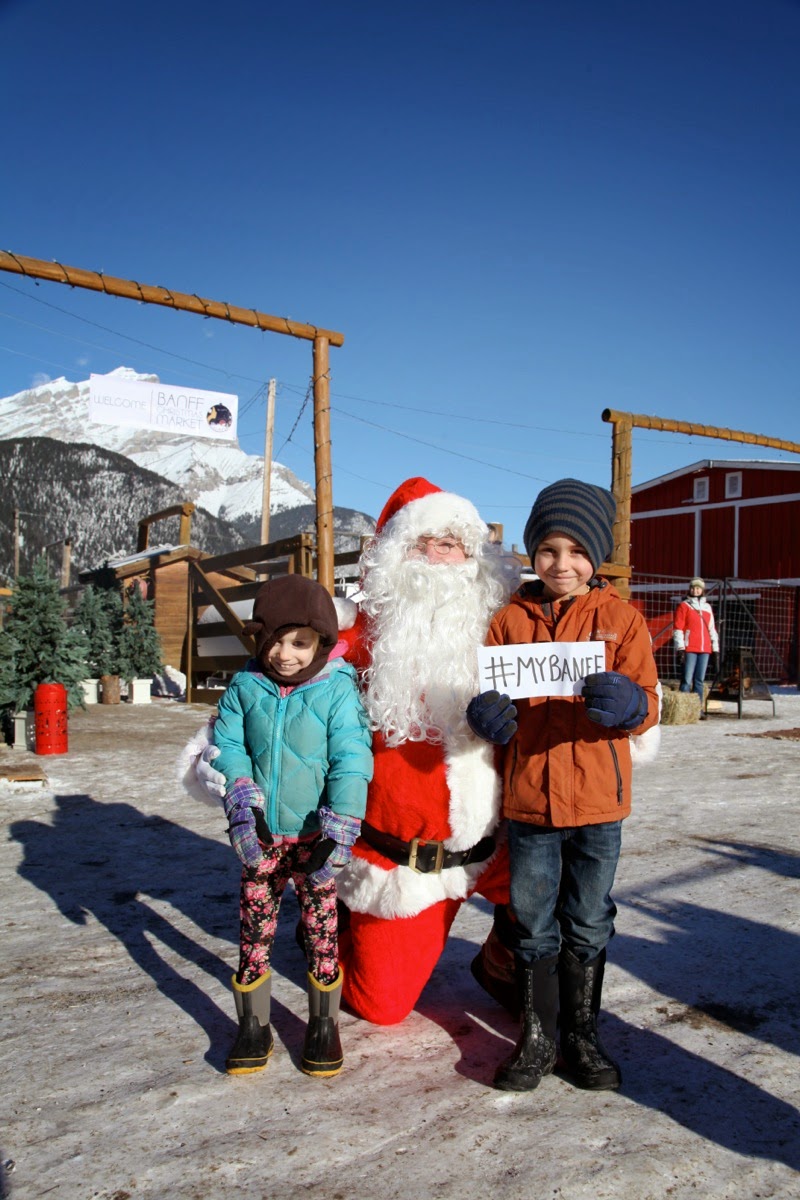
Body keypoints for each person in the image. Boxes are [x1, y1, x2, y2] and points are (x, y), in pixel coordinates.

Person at [466, 478, 660, 1093]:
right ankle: (538, 1035)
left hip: (600, 802)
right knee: (532, 917)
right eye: (550, 549)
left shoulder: (621, 620)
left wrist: (631, 704)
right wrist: (486, 718)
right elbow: (489, 697)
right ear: (532, 553)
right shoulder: (506, 621)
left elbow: (650, 703)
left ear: (596, 558)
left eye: (577, 551)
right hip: (529, 803)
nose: (563, 564)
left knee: (589, 916)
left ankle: (581, 1033)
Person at [211, 574, 373, 1078]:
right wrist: (242, 803)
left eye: (299, 642)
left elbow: (352, 758)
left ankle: (323, 1026)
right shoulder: (244, 687)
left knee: (322, 932)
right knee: (254, 931)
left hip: (315, 842)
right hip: (260, 838)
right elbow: (228, 747)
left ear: (322, 641)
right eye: (274, 641)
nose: (285, 654)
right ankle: (253, 1024)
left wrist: (341, 826)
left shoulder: (337, 692)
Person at [673, 577, 719, 717]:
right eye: (693, 588)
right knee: (687, 679)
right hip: (690, 648)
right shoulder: (684, 606)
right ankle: (683, 710)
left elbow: (712, 629)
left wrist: (715, 648)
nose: (695, 590)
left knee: (699, 680)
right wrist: (680, 647)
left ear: (702, 590)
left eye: (698, 588)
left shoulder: (707, 608)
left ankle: (697, 709)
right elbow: (678, 628)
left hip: (704, 649)